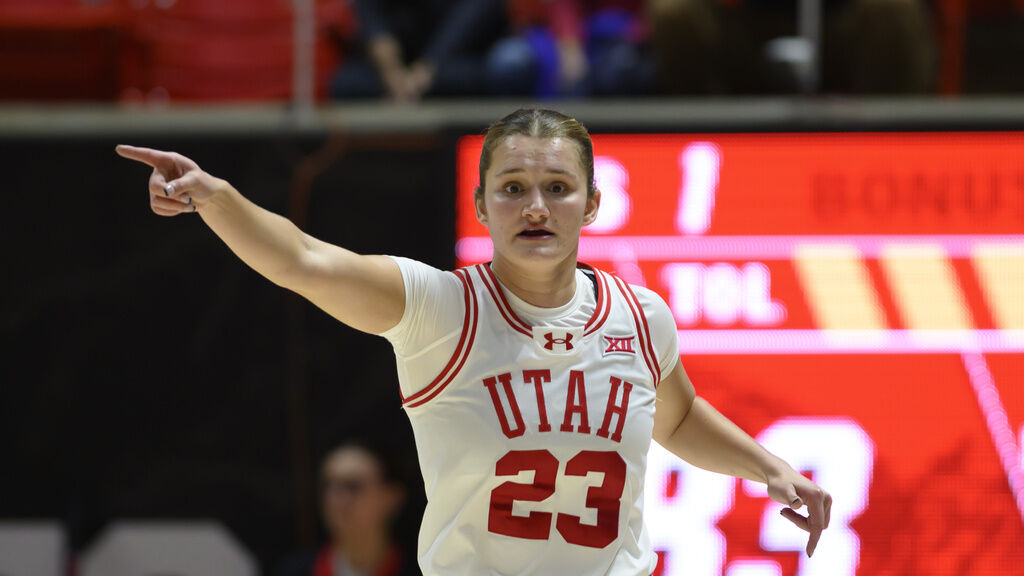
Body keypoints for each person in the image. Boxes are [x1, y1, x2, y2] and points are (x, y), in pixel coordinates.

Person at [116, 108, 832, 575]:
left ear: (592, 203)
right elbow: (301, 259)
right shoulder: (442, 308)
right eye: (513, 187)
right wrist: (216, 197)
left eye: (557, 186)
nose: (537, 206)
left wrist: (768, 468)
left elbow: (674, 417)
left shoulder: (639, 316)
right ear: (482, 204)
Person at [280, 441, 418, 576]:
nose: (336, 498)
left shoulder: (426, 568)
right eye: (328, 485)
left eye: (352, 486)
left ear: (392, 496)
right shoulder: (296, 570)